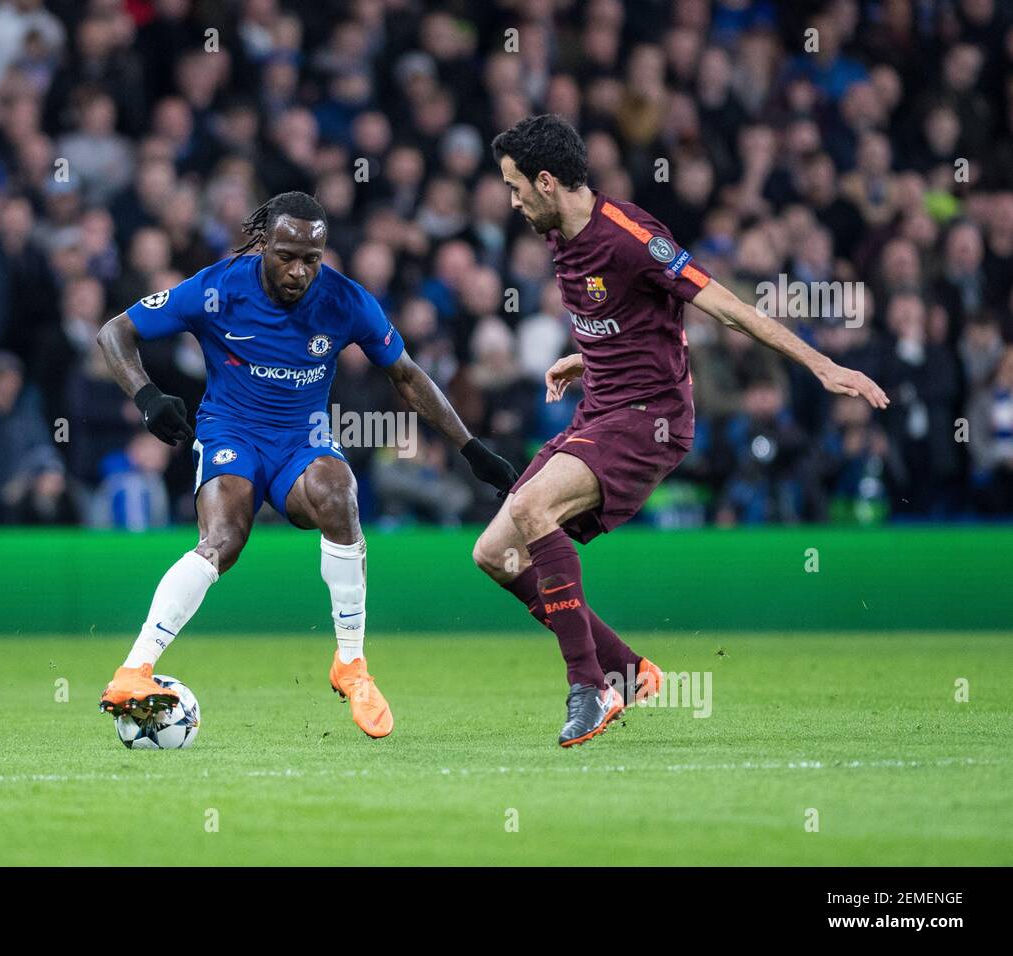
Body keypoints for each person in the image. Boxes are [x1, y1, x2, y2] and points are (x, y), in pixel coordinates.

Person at [475, 115, 889, 747]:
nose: (512, 201)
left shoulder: (632, 237)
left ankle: (589, 687)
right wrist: (586, 355)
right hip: (600, 413)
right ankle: (628, 670)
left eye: (515, 187)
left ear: (548, 181)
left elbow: (726, 307)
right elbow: (638, 324)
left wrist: (821, 364)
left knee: (533, 508)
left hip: (650, 422)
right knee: (495, 554)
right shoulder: (561, 233)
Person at [95, 191, 517, 739]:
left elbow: (407, 376)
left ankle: (351, 664)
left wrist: (469, 447)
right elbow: (114, 333)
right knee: (223, 541)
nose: (298, 271)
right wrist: (147, 396)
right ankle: (134, 670)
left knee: (340, 494)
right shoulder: (217, 287)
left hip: (302, 439)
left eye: (311, 260)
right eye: (286, 256)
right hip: (230, 432)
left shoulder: (347, 301)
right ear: (263, 243)